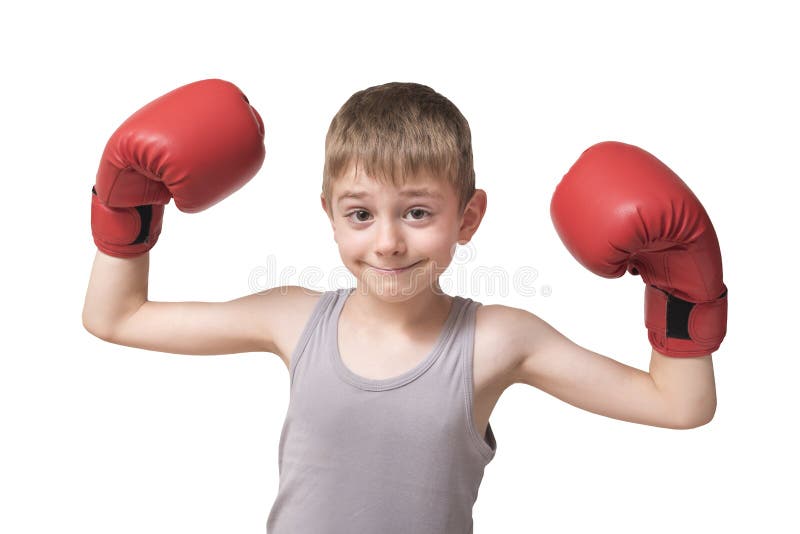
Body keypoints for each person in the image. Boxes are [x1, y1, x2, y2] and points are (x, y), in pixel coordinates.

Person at [82, 78, 727, 533]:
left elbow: (679, 404)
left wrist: (678, 291)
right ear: (330, 216)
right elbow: (116, 317)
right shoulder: (292, 318)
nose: (388, 242)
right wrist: (128, 209)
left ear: (468, 217)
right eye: (361, 214)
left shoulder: (499, 340)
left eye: (418, 212)